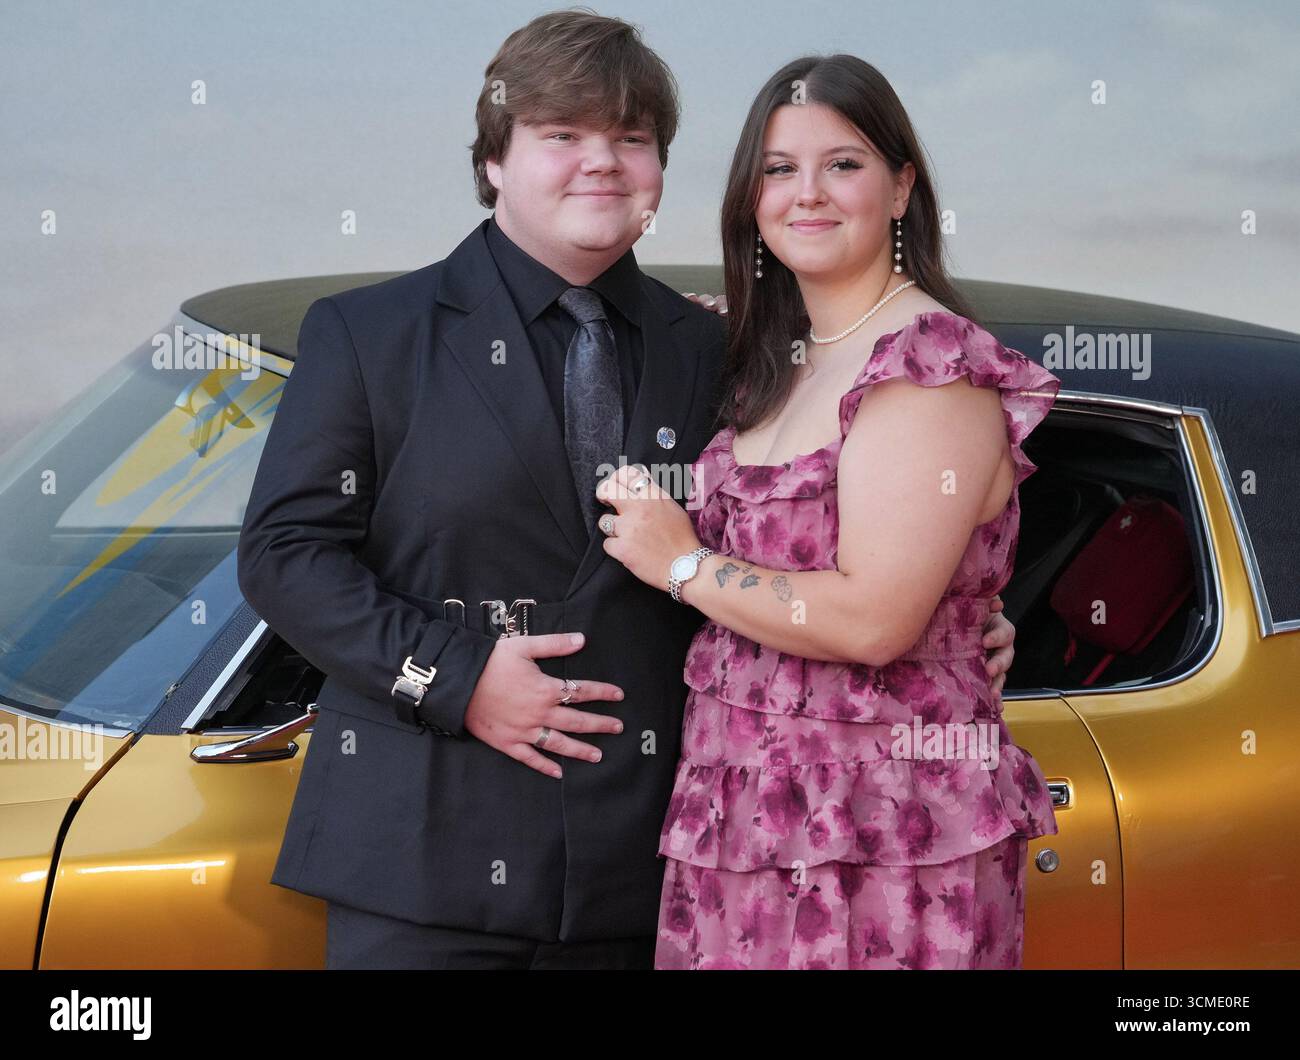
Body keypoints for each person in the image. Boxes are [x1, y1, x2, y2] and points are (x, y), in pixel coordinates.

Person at [236, 10, 1020, 970]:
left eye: (631, 140)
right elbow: (284, 561)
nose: (599, 163)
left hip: (653, 875)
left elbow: (826, 527)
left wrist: (954, 609)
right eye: (561, 135)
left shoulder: (719, 352)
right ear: (494, 161)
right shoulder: (368, 335)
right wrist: (455, 678)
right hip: (419, 867)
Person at [596, 53, 1061, 969]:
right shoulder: (762, 354)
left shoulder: (930, 365)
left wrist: (682, 564)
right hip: (737, 808)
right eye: (778, 169)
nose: (806, 194)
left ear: (901, 188)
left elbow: (878, 621)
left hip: (887, 824)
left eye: (842, 164)